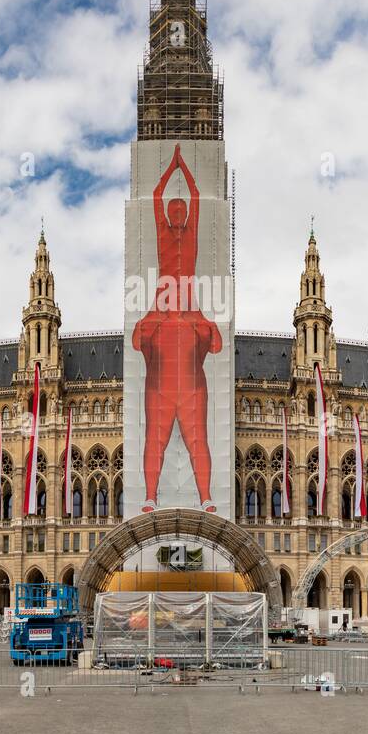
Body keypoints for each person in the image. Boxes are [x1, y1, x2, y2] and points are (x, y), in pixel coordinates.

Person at [134, 143, 222, 514]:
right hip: (168, 303)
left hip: (183, 305)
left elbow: (199, 197)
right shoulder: (164, 235)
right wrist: (174, 166)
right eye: (174, 209)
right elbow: (155, 196)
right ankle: (151, 496)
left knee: (195, 436)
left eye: (180, 208)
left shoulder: (190, 234)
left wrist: (182, 169)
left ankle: (205, 498)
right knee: (157, 435)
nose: (177, 210)